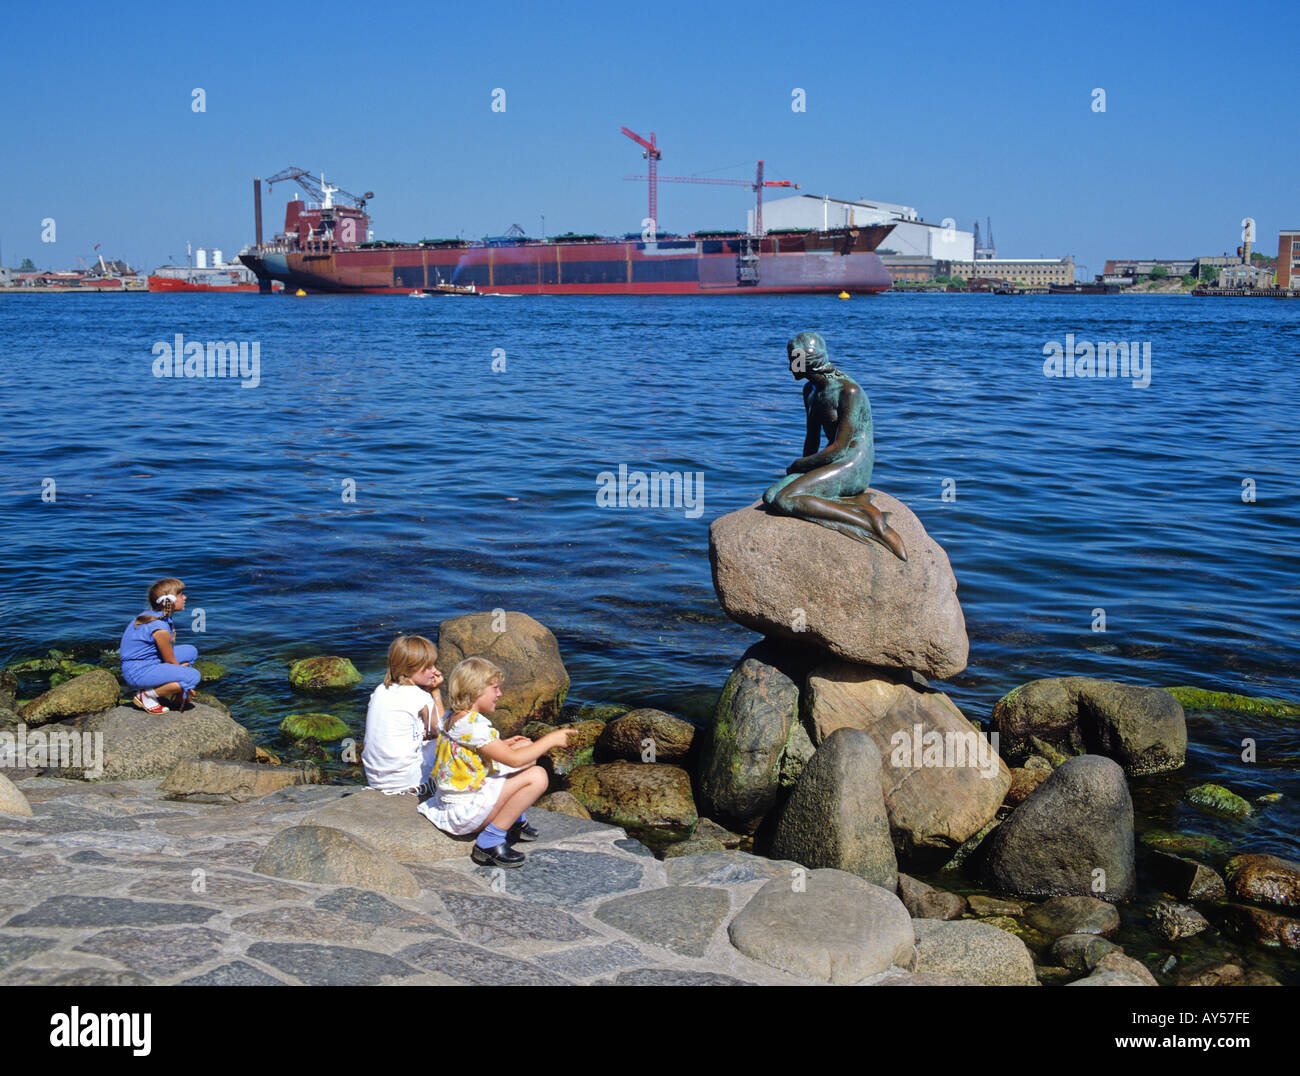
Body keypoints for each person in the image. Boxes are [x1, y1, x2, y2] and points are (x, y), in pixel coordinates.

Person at [762, 330, 908, 561]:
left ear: (807, 361)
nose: (790, 367)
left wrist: (799, 464)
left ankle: (872, 524)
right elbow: (812, 440)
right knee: (771, 496)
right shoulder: (810, 391)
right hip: (831, 461)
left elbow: (840, 448)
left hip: (852, 462)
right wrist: (802, 470)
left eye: (793, 361)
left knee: (786, 499)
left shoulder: (848, 392)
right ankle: (850, 507)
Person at [420, 656, 574, 867]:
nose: (500, 694)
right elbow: (514, 760)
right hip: (465, 812)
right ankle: (490, 842)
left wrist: (503, 743)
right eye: (495, 688)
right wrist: (550, 740)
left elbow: (471, 749)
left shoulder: (452, 716)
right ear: (476, 691)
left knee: (523, 746)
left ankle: (514, 820)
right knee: (538, 776)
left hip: (455, 799)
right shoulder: (475, 726)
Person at [362, 635, 445, 794]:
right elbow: (443, 731)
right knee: (451, 742)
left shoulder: (380, 690)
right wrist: (435, 691)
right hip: (405, 782)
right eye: (428, 666)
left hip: (375, 778)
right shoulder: (420, 697)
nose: (435, 671)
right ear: (409, 669)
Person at [120, 577, 201, 713]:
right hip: (138, 672)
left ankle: (161, 689)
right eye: (181, 595)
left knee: (191, 651)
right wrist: (185, 683)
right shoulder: (160, 627)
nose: (185, 597)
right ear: (170, 601)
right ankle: (147, 695)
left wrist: (181, 681)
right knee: (193, 676)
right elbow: (170, 660)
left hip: (147, 662)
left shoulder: (153, 615)